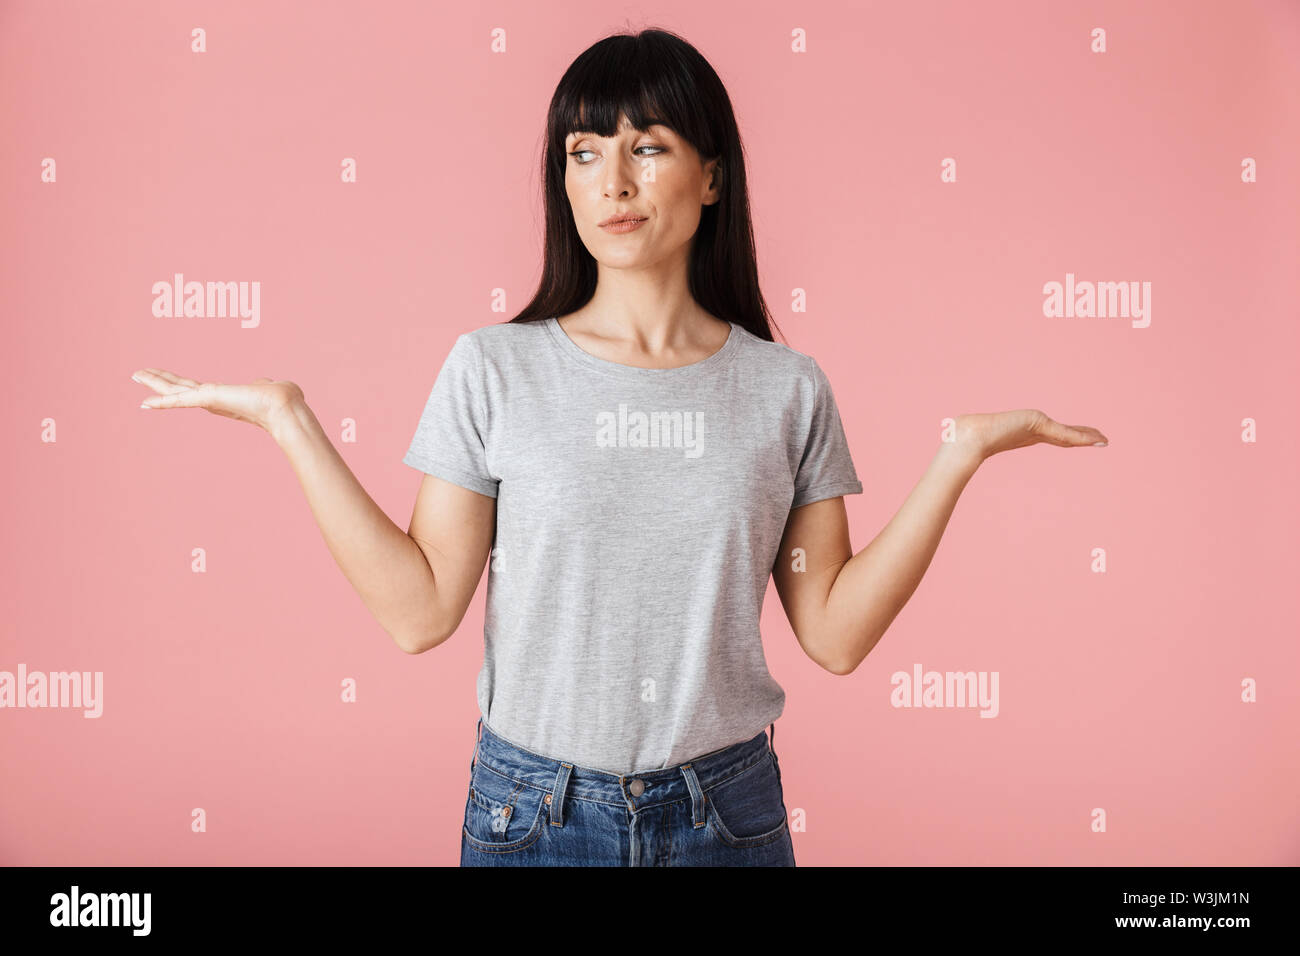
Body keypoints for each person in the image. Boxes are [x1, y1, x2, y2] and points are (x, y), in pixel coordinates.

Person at [131, 28, 1107, 867]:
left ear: (712, 172)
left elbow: (835, 633)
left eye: (645, 146)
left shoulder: (784, 387)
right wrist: (289, 420)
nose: (613, 180)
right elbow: (420, 609)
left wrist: (957, 457)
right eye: (584, 151)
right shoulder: (493, 369)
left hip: (728, 813)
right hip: (532, 814)